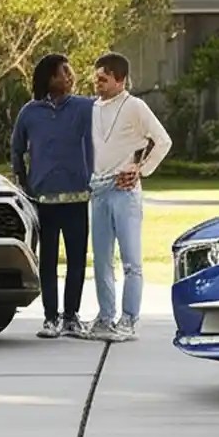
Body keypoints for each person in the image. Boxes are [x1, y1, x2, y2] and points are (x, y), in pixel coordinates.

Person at [86, 52, 171, 342]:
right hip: (97, 191)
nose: (97, 83)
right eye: (96, 77)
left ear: (120, 79)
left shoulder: (135, 106)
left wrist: (141, 169)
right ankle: (104, 317)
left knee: (131, 261)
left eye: (103, 78)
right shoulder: (92, 109)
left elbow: (163, 141)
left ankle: (129, 319)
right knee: (101, 260)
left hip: (124, 190)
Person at [11, 53, 94, 339]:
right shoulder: (29, 112)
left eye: (70, 71)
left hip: (78, 198)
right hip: (44, 201)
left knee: (76, 260)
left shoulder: (86, 107)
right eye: (63, 72)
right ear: (49, 78)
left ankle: (71, 317)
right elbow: (16, 149)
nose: (70, 76)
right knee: (47, 261)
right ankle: (50, 318)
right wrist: (22, 181)